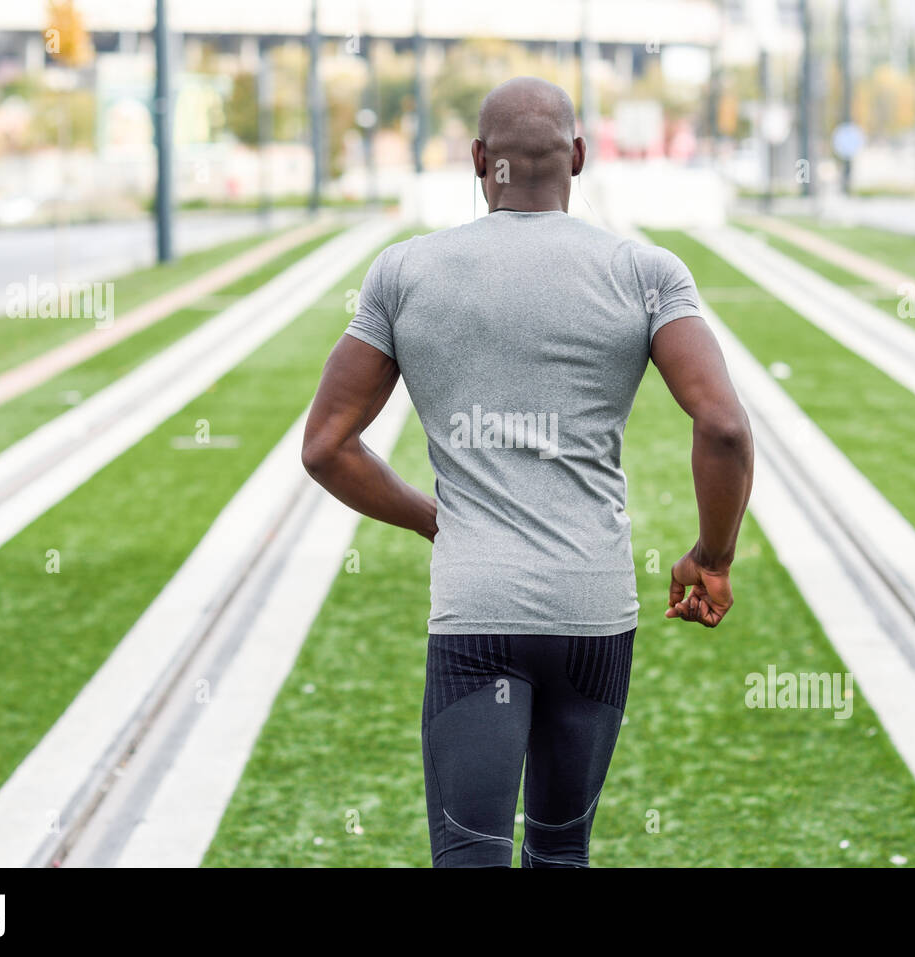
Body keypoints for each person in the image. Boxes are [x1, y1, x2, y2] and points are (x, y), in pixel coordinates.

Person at [301, 77, 754, 867]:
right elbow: (722, 425)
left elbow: (326, 446)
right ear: (579, 156)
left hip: (478, 605)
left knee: (472, 855)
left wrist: (433, 518)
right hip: (594, 606)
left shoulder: (406, 272)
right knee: (560, 850)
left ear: (479, 161)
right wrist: (712, 556)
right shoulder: (644, 272)